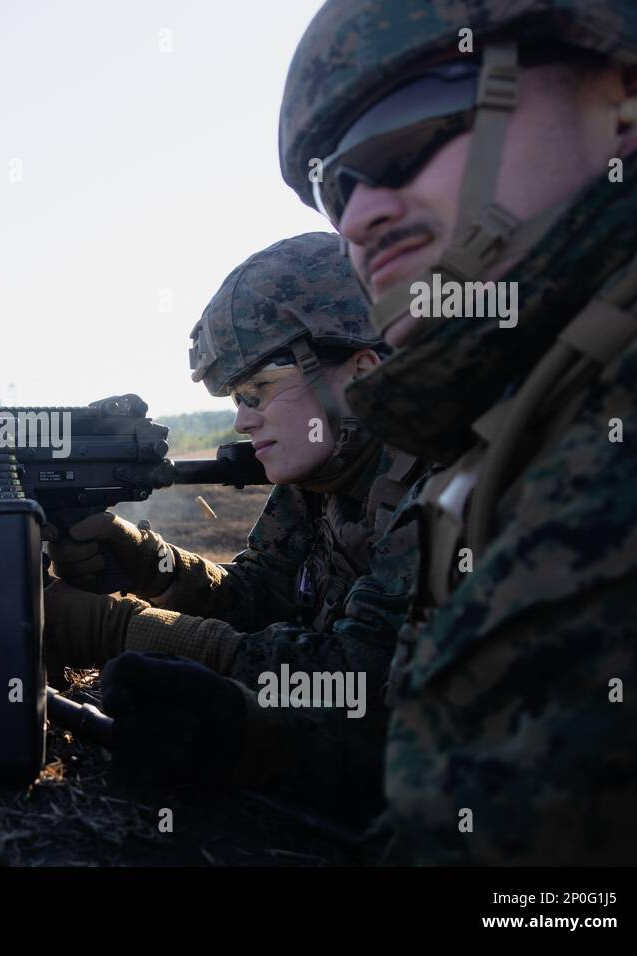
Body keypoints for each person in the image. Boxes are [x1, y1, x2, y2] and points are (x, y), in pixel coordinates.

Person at [279, 0, 637, 863]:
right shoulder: (528, 406)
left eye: (397, 140)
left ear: (635, 98)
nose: (355, 219)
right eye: (334, 185)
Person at [43, 232, 425, 820]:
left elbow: (358, 682)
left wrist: (121, 631)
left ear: (361, 373)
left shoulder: (436, 483)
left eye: (258, 391)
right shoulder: (321, 480)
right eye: (235, 399)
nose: (244, 420)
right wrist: (148, 564)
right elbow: (257, 597)